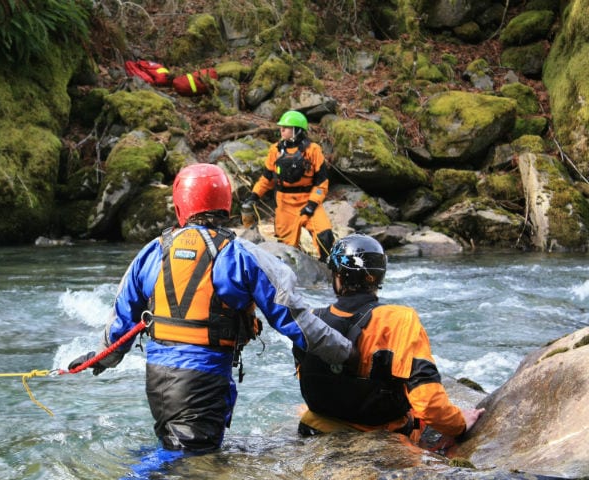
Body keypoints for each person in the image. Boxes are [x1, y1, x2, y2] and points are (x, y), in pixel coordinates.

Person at [69, 163, 354, 456]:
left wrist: (102, 358)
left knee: (176, 450)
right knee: (187, 464)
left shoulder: (153, 251)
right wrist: (346, 353)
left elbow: (123, 315)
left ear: (181, 206)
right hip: (202, 382)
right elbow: (294, 319)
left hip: (158, 381)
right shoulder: (239, 254)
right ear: (224, 205)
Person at [292, 233, 484, 450]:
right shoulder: (399, 320)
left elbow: (306, 375)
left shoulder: (310, 319)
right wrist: (458, 424)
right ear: (378, 276)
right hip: (377, 439)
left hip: (314, 428)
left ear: (337, 276)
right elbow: (428, 402)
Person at [241, 110, 335, 261]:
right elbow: (267, 178)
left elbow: (321, 183)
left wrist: (311, 204)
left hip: (308, 203)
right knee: (286, 252)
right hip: (285, 204)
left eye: (286, 127)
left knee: (325, 237)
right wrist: (254, 195)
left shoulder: (313, 150)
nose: (281, 130)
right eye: (281, 127)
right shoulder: (275, 150)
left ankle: (329, 271)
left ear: (297, 130)